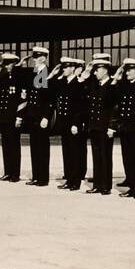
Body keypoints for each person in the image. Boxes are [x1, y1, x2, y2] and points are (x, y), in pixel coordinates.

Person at [112, 59, 135, 198]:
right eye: (126, 70)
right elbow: (113, 97)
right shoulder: (125, 84)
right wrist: (116, 78)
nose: (126, 73)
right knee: (128, 159)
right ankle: (132, 186)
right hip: (126, 128)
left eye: (129, 70)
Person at [17, 46, 53, 186]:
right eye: (34, 58)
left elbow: (49, 99)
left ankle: (43, 178)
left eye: (36, 58)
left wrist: (46, 117)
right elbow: (21, 81)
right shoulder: (35, 73)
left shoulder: (46, 74)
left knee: (42, 148)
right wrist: (21, 65)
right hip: (32, 116)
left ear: (43, 58)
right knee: (34, 147)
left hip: (41, 117)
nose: (34, 61)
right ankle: (36, 176)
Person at [53, 57, 88, 191]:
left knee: (74, 152)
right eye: (63, 67)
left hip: (73, 124)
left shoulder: (78, 84)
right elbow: (52, 87)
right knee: (66, 151)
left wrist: (75, 124)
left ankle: (75, 181)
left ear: (73, 68)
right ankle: (69, 178)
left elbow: (79, 107)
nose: (64, 69)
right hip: (64, 123)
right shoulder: (63, 82)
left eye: (67, 67)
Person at [84, 55, 117, 195]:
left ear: (104, 70)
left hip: (105, 128)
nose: (95, 73)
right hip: (95, 126)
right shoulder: (95, 85)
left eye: (97, 70)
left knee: (105, 157)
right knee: (96, 157)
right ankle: (97, 184)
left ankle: (106, 185)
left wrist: (111, 126)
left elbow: (114, 108)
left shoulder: (112, 86)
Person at [0, 51, 23, 182]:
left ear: (14, 64)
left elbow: (22, 98)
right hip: (4, 117)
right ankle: (8, 172)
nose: (8, 66)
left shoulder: (18, 79)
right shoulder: (2, 78)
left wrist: (19, 117)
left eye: (10, 64)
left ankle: (15, 174)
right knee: (6, 145)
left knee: (14, 146)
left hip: (13, 117)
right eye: (6, 64)